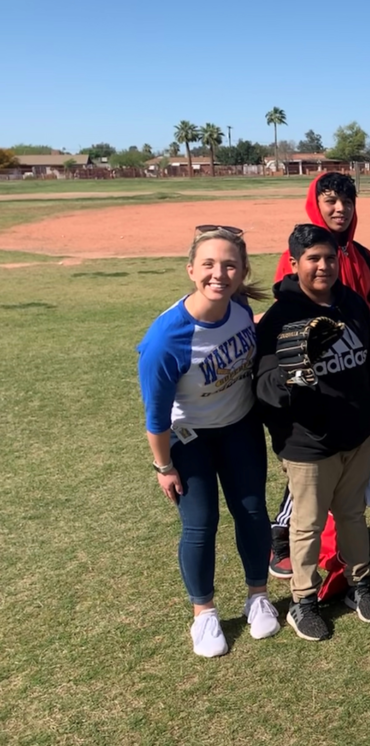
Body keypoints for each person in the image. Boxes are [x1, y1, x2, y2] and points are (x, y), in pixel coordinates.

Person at [137, 226, 279, 658]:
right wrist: (164, 467)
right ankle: (204, 612)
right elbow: (156, 418)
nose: (219, 274)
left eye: (230, 265)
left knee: (252, 511)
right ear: (190, 270)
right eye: (209, 265)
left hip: (240, 427)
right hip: (189, 440)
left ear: (242, 271)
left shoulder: (239, 306)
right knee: (201, 524)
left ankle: (258, 595)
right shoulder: (166, 340)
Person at [255, 224, 370, 641]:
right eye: (313, 259)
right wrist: (294, 369)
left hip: (357, 433)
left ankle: (359, 583)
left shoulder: (351, 303)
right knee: (308, 524)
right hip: (308, 442)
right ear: (294, 263)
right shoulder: (280, 318)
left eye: (330, 258)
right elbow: (264, 390)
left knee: (353, 514)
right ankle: (303, 599)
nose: (323, 266)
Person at [268, 171, 370, 579]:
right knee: (309, 473)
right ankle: (282, 535)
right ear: (315, 204)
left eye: (347, 201)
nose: (340, 209)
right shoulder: (298, 256)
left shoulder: (363, 256)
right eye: (330, 201)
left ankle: (347, 537)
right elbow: (287, 324)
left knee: (350, 471)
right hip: (317, 385)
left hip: (356, 376)